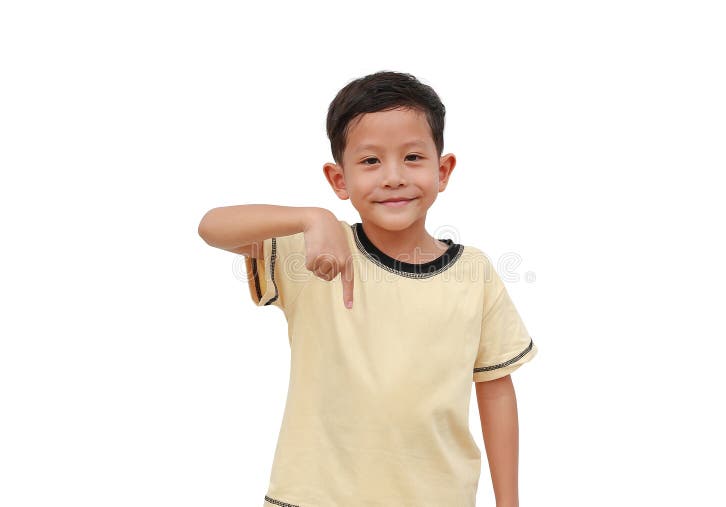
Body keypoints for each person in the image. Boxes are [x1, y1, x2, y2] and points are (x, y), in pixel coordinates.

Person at [198, 70, 538, 507]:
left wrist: (508, 503)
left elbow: (495, 388)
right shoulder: (316, 250)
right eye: (371, 161)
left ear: (443, 170)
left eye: (413, 157)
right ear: (339, 180)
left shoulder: (474, 271)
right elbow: (212, 227)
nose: (393, 176)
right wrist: (313, 218)